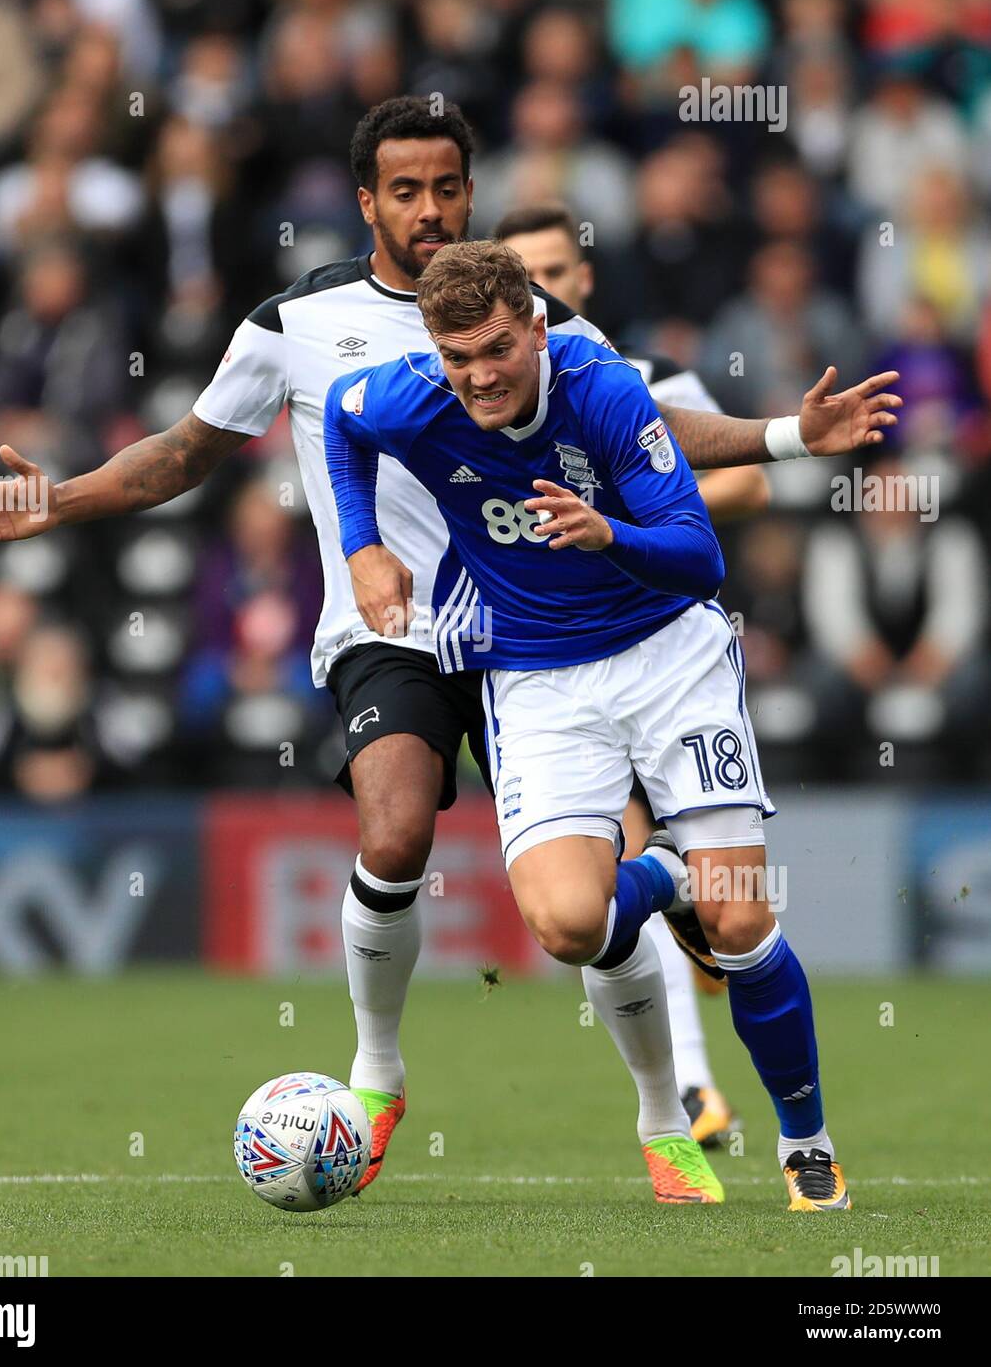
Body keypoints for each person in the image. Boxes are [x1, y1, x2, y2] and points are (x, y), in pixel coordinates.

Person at [0, 96, 902, 1196]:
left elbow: (642, 423)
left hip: (534, 629)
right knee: (399, 829)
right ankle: (378, 1071)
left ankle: (664, 1114)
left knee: (594, 911)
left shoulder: (527, 310)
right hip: (393, 630)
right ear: (367, 201)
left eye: (447, 185)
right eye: (405, 190)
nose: (429, 208)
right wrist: (65, 500)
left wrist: (781, 437)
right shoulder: (294, 324)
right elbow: (186, 452)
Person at [325, 240, 859, 1212]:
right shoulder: (408, 394)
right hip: (534, 679)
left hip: (667, 656)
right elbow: (340, 418)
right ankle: (670, 875)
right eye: (457, 357)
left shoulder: (605, 392)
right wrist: (362, 545)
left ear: (537, 329)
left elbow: (699, 557)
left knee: (740, 921)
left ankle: (806, 1140)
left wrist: (608, 531)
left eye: (495, 349)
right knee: (572, 926)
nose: (478, 376)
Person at [495, 201, 766, 1147]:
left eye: (556, 274)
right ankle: (690, 1089)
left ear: (584, 280)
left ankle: (727, 1086)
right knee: (613, 861)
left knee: (732, 911)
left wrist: (628, 510)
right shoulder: (488, 387)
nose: (544, 290)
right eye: (523, 275)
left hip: (667, 641)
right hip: (559, 659)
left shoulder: (638, 377)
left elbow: (748, 480)